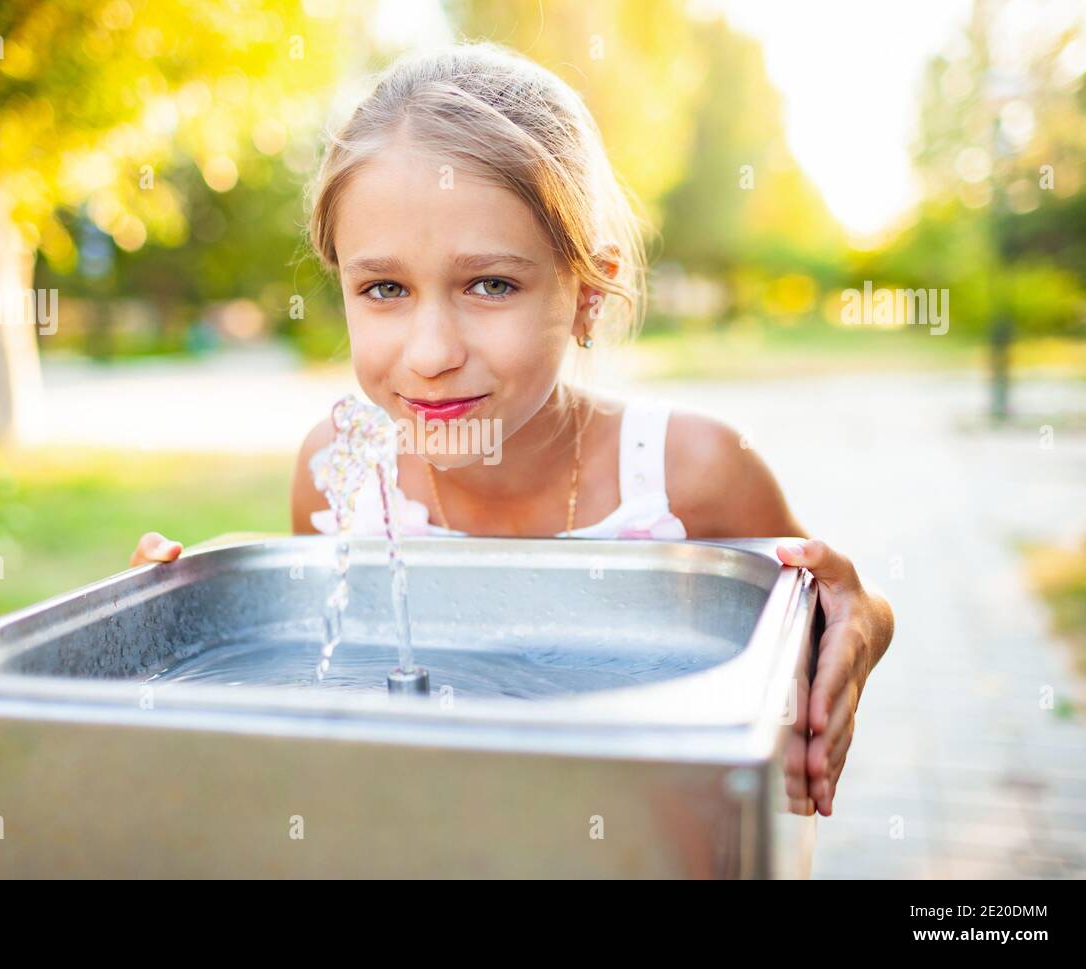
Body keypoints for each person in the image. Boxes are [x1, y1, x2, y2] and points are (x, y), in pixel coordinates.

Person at [131, 42, 894, 818]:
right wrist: (177, 624)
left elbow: (836, 608)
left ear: (589, 294)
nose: (431, 354)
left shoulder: (691, 471)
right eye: (384, 287)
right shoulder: (339, 475)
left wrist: (864, 621)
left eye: (491, 284)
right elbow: (319, 680)